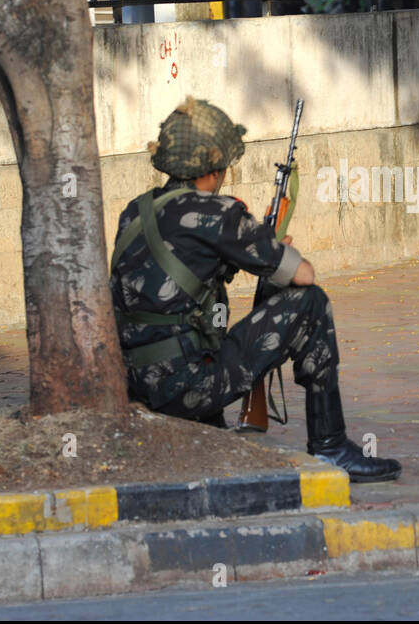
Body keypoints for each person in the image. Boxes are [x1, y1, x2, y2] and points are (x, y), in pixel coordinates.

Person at [110, 96, 402, 483]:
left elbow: (183, 273)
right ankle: (330, 445)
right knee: (311, 304)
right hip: (187, 389)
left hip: (135, 386)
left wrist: (257, 245)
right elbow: (304, 275)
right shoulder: (218, 214)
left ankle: (207, 421)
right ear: (214, 169)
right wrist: (275, 248)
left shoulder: (136, 210)